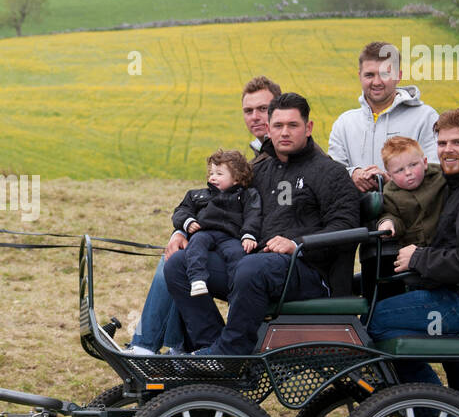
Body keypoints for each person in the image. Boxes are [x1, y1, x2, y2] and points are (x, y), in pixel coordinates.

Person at [165, 92, 360, 355]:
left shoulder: (330, 172)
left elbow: (346, 227)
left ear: (308, 127)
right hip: (254, 266)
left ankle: (232, 352)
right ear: (268, 129)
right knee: (179, 264)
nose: (285, 132)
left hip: (310, 273)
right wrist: (181, 229)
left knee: (252, 267)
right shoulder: (257, 172)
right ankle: (210, 349)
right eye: (278, 126)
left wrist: (296, 244)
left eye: (293, 125)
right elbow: (220, 204)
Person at [367, 108, 459, 405]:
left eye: (457, 143)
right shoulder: (458, 183)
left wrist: (419, 258)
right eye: (442, 143)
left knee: (374, 321)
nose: (447, 150)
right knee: (454, 352)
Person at [127, 77, 279, 354]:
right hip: (233, 241)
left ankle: (148, 346)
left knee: (178, 263)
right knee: (179, 254)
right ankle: (177, 347)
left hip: (256, 256)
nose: (255, 117)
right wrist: (181, 230)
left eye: (263, 109)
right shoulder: (257, 159)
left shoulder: (281, 159)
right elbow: (219, 201)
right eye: (248, 111)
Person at [329, 41, 439, 193]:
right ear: (359, 76)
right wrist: (353, 173)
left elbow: (435, 173)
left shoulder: (426, 118)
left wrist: (391, 182)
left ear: (398, 76)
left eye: (385, 74)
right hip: (355, 214)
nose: (376, 82)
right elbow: (331, 173)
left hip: (408, 214)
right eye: (369, 75)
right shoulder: (344, 124)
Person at [176, 150, 261, 297]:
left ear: (237, 179)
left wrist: (249, 235)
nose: (213, 177)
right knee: (195, 245)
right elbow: (181, 210)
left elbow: (253, 215)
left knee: (238, 256)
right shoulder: (198, 195)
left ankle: (236, 296)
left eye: (219, 174)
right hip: (204, 232)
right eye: (211, 174)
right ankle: (197, 280)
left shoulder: (246, 196)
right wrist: (187, 222)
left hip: (231, 237)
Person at [375, 136, 447, 246]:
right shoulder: (389, 193)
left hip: (447, 239)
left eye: (413, 165)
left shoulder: (441, 176)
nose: (408, 172)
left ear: (425, 162)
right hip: (415, 246)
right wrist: (389, 223)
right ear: (390, 176)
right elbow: (391, 214)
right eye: (400, 170)